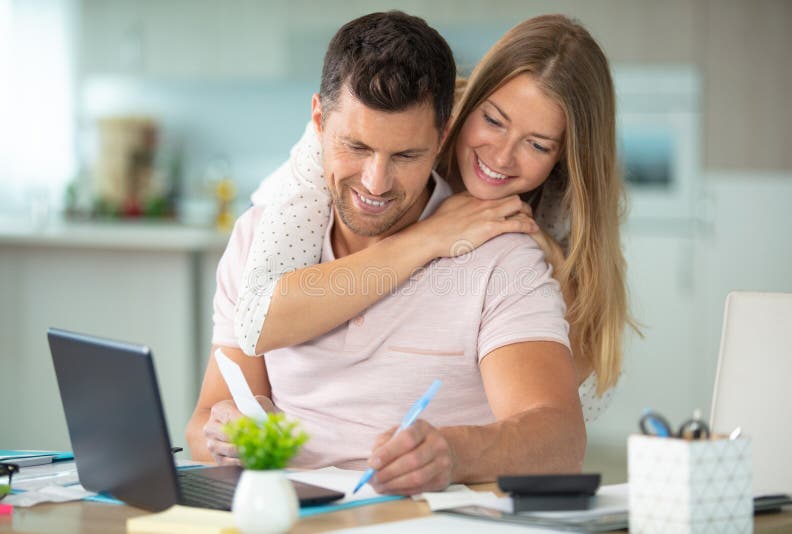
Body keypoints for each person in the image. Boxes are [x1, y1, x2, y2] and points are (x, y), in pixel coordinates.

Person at [187, 10, 585, 495]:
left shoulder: (500, 256)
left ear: (443, 136)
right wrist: (226, 439)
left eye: (405, 156)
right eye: (354, 146)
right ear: (318, 122)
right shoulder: (260, 240)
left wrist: (456, 453)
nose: (375, 183)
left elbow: (560, 439)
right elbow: (205, 421)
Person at [235, 13, 635, 422]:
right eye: (493, 121)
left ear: (564, 158)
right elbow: (256, 323)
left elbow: (566, 410)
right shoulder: (370, 130)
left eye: (537, 145)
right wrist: (432, 235)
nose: (500, 157)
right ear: (464, 107)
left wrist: (544, 264)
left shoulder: (556, 218)